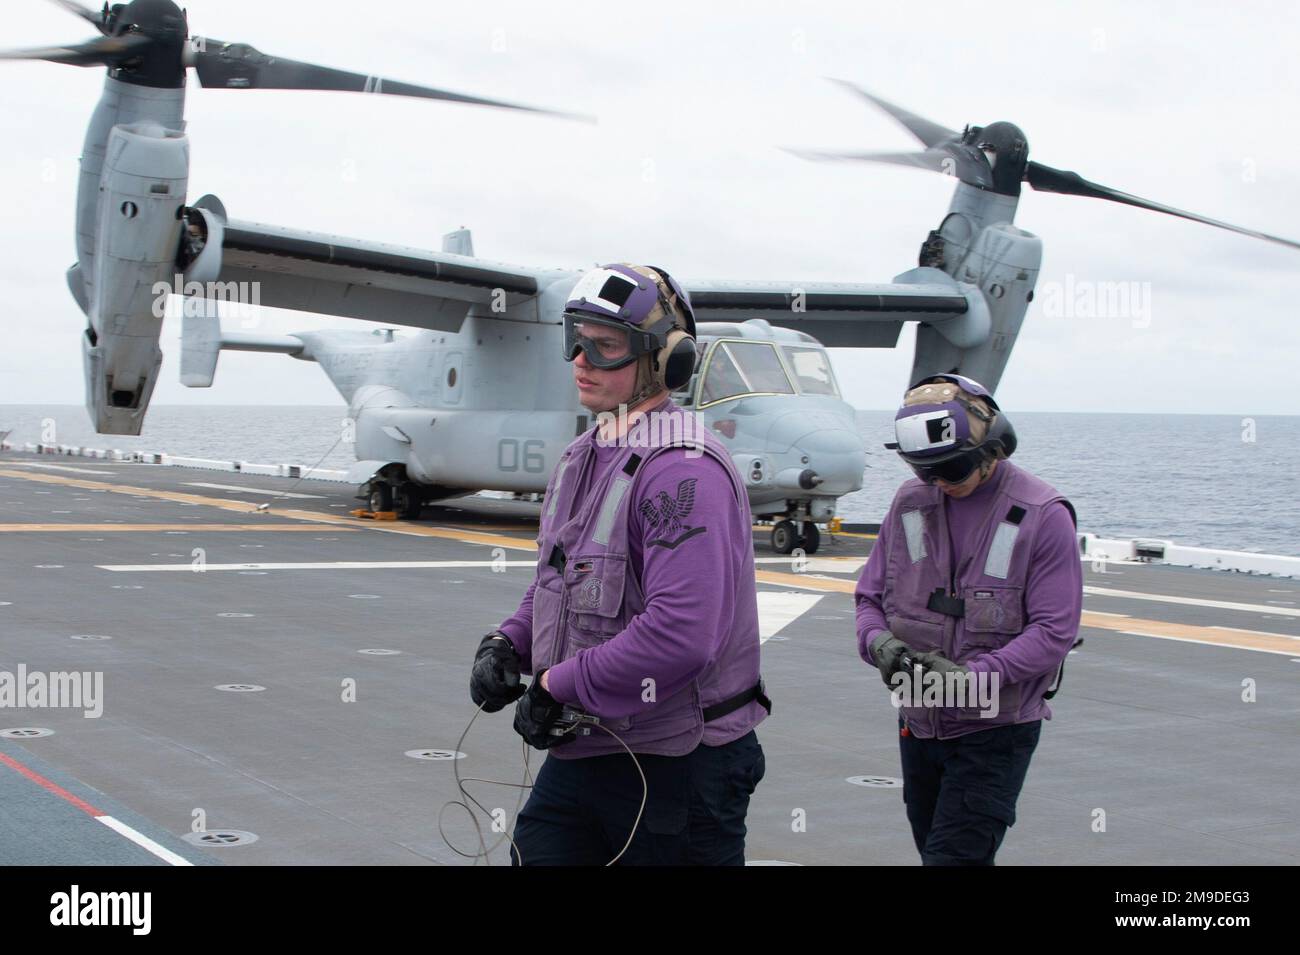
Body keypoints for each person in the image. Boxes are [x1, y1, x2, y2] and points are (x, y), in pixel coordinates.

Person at [469, 263, 770, 866]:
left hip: (676, 764)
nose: (581, 359)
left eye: (604, 347)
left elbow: (681, 636)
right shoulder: (583, 455)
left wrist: (558, 685)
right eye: (575, 340)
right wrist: (508, 643)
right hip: (588, 745)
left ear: (666, 360)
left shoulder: (683, 468)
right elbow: (557, 582)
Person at [855, 373, 1081, 865]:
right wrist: (878, 645)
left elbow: (1054, 631)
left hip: (993, 734)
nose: (938, 484)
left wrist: (972, 679)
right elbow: (868, 599)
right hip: (918, 724)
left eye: (952, 470)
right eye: (925, 472)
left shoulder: (1042, 514)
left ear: (994, 447)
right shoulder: (909, 504)